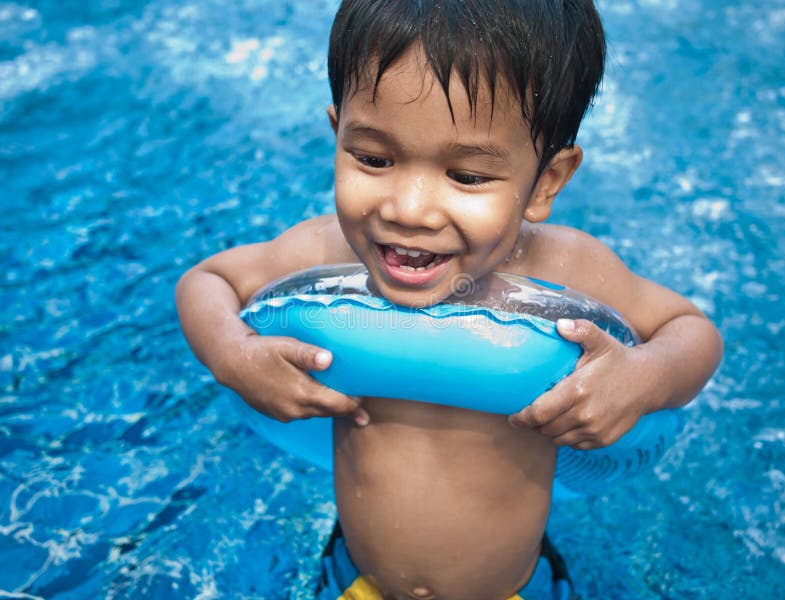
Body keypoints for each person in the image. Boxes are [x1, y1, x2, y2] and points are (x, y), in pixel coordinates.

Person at [176, 1, 723, 598]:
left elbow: (690, 329)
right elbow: (207, 282)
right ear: (337, 135)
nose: (408, 209)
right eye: (374, 159)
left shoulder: (570, 267)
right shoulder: (322, 252)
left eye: (466, 176)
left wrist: (641, 377)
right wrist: (233, 353)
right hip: (355, 579)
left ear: (546, 183)